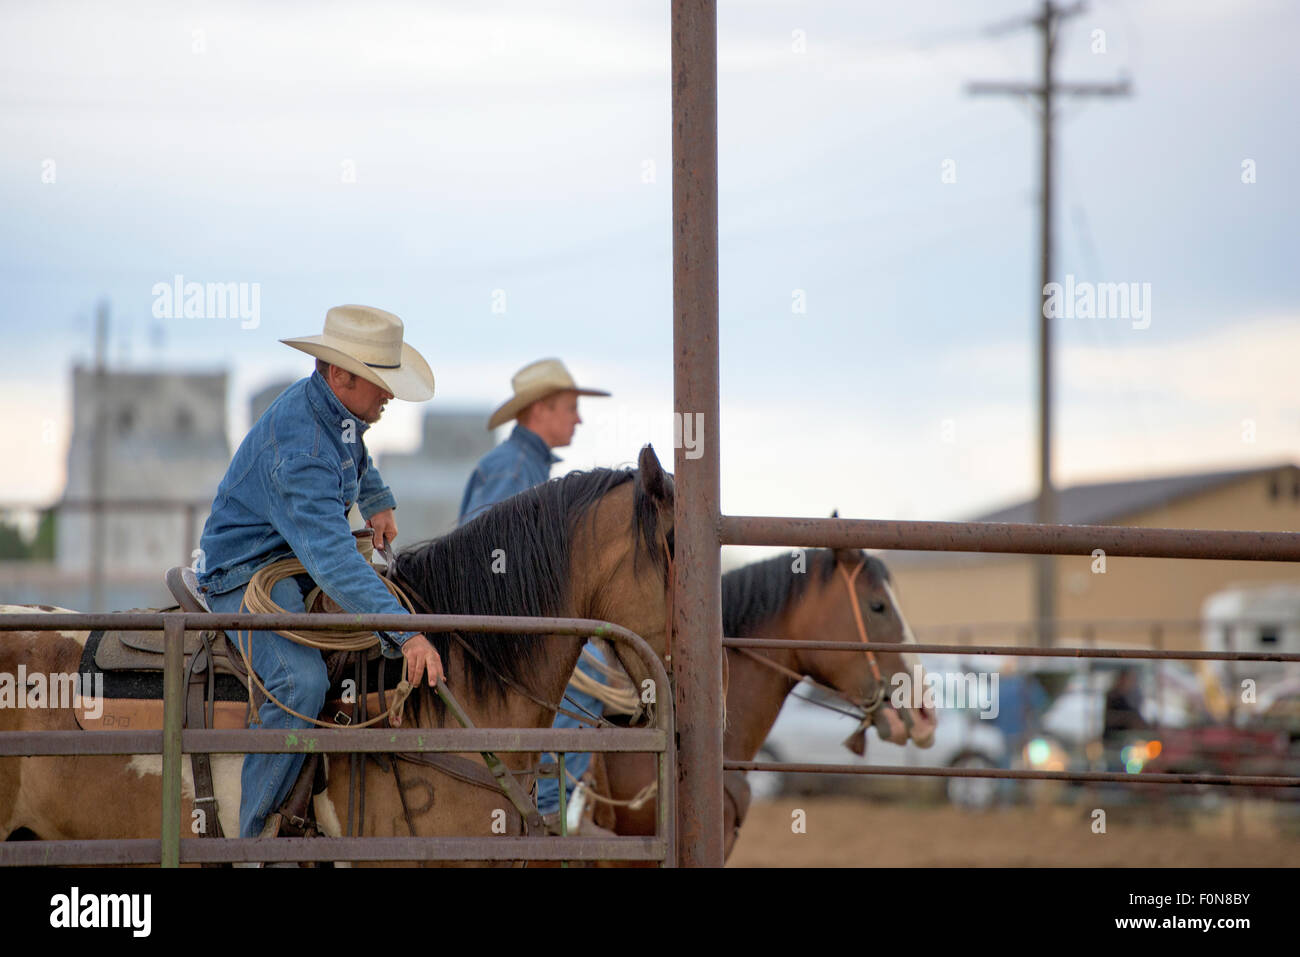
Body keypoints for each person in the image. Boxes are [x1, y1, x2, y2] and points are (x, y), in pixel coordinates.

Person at [196, 304, 446, 840]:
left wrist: (376, 498)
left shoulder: (334, 411)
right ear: (340, 374)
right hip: (246, 570)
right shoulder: (302, 449)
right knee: (300, 682)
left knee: (368, 634)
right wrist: (407, 633)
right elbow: (333, 562)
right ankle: (253, 840)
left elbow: (355, 448)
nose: (390, 395)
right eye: (380, 383)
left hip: (290, 556)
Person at [457, 358, 610, 828]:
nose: (578, 418)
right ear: (540, 410)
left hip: (503, 626)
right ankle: (549, 810)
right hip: (504, 633)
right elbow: (490, 560)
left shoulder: (520, 465)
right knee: (583, 688)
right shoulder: (516, 469)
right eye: (570, 407)